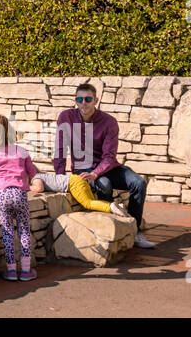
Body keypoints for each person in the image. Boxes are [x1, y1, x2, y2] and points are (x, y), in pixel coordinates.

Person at [53, 82, 154, 248]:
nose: (83, 103)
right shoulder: (66, 117)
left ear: (96, 100)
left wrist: (96, 173)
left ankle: (135, 233)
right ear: (75, 101)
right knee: (104, 185)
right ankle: (107, 232)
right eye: (79, 99)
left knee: (139, 182)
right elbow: (60, 149)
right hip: (83, 168)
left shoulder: (109, 122)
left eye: (88, 99)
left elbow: (109, 156)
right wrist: (59, 177)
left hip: (109, 167)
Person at [0, 114, 38, 281]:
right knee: (24, 231)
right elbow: (32, 172)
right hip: (20, 194)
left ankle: (11, 270)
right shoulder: (21, 151)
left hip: (2, 195)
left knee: (7, 232)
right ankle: (26, 271)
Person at [31, 171, 131, 218]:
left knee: (87, 204)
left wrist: (27, 187)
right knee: (93, 203)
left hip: (73, 183)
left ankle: (112, 206)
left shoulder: (35, 178)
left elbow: (39, 188)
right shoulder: (41, 174)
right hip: (77, 179)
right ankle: (119, 206)